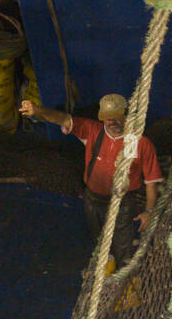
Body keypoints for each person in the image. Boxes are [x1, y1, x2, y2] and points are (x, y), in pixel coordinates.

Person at [20, 93, 162, 265]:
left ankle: (125, 279)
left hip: (123, 203)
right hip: (93, 200)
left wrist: (149, 211)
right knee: (100, 243)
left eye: (117, 117)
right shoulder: (92, 131)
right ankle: (105, 272)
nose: (113, 122)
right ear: (102, 119)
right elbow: (63, 119)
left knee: (123, 246)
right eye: (108, 119)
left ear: (126, 115)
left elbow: (151, 182)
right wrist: (38, 111)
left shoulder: (141, 143)